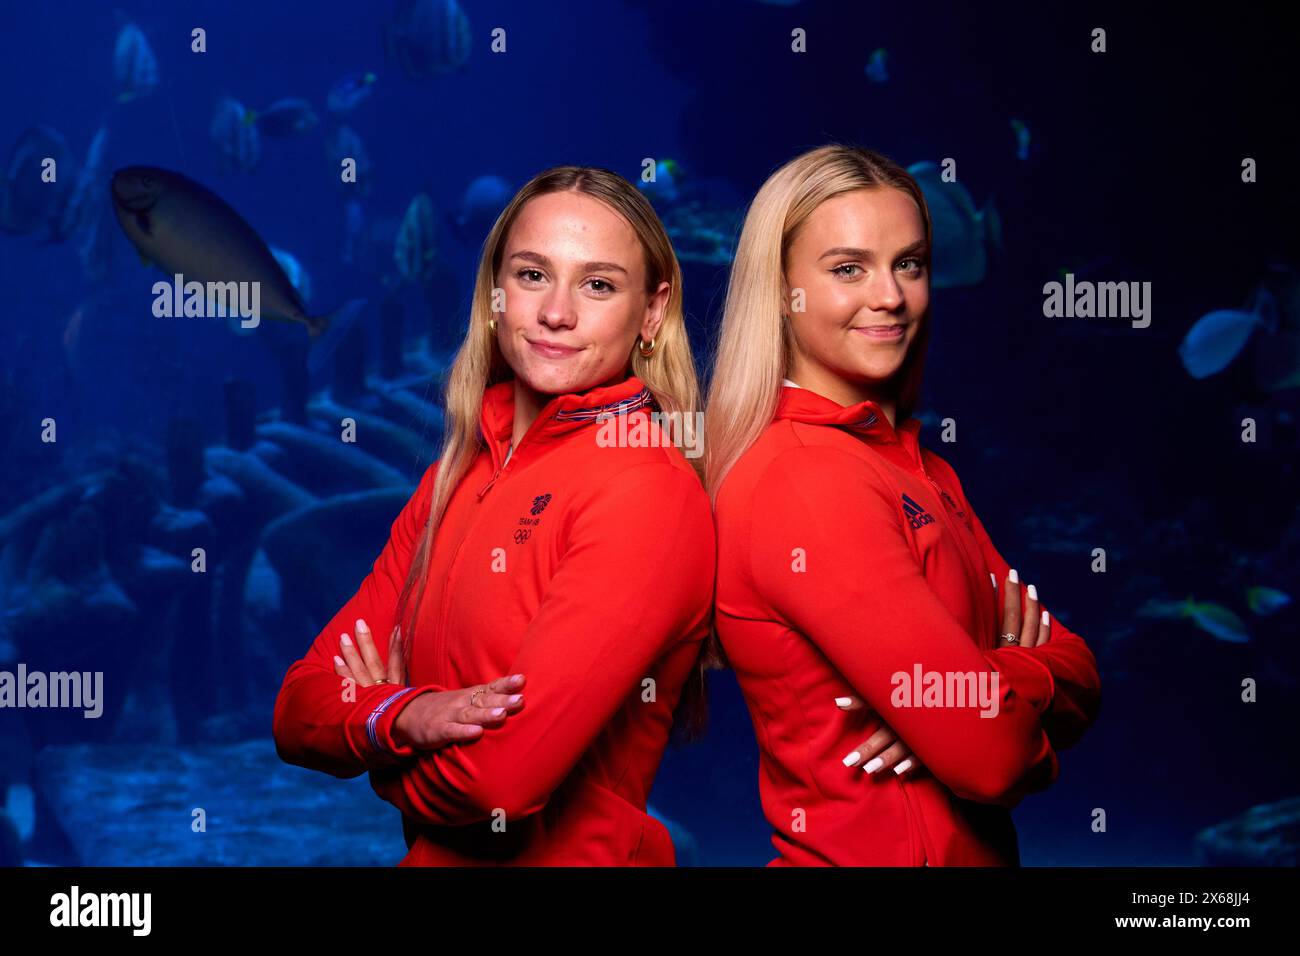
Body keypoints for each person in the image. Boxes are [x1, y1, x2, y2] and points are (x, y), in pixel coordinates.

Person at [273, 165, 715, 865]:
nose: (557, 312)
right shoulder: (456, 473)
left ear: (653, 312)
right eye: (534, 275)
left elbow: (499, 788)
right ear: (495, 294)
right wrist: (402, 713)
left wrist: (379, 745)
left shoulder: (645, 492)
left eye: (598, 284)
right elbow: (298, 708)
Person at [706, 144, 1101, 865]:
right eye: (848, 268)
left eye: (910, 264)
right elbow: (990, 757)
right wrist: (992, 699)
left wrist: (1005, 678)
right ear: (780, 289)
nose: (890, 295)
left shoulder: (914, 465)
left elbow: (1080, 669)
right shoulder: (806, 480)